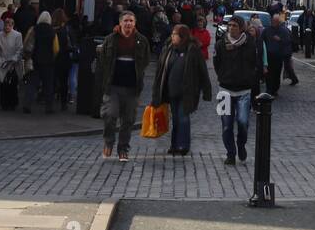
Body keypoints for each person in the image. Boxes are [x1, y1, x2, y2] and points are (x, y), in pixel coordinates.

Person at [97, 11, 152, 162]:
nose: (128, 24)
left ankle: (123, 148)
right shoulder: (110, 40)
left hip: (132, 87)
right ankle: (108, 142)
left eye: (131, 21)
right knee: (110, 115)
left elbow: (145, 60)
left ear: (135, 23)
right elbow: (103, 62)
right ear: (120, 23)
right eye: (126, 21)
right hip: (113, 86)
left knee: (128, 120)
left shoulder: (142, 41)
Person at [152, 24, 212, 156]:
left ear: (182, 36)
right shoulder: (168, 49)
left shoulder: (192, 50)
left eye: (175, 34)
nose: (172, 36)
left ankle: (183, 145)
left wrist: (207, 90)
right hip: (171, 91)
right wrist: (157, 91)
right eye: (172, 34)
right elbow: (161, 70)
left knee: (183, 117)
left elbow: (202, 70)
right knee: (176, 119)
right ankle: (174, 144)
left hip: (187, 91)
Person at [215, 17, 258, 165]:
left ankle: (241, 144)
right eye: (230, 25)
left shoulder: (249, 44)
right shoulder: (221, 44)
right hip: (225, 91)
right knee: (226, 125)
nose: (231, 28)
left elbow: (254, 63)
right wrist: (223, 76)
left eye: (235, 26)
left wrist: (249, 77)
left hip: (243, 91)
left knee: (243, 122)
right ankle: (230, 153)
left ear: (241, 28)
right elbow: (217, 63)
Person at [22, 10, 57, 114]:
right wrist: (53, 57)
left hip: (35, 60)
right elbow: (56, 48)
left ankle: (27, 105)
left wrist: (28, 57)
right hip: (48, 62)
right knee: (48, 85)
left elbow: (27, 45)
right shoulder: (52, 31)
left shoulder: (34, 29)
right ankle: (49, 107)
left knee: (32, 84)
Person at [0, 13, 23, 110]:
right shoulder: (0, 35)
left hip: (13, 62)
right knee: (3, 84)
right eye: (5, 26)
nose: (6, 28)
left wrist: (14, 59)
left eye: (9, 26)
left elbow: (19, 49)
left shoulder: (18, 35)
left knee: (12, 84)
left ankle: (13, 103)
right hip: (2, 61)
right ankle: (4, 103)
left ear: (12, 26)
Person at [261, 10, 295, 96]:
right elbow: (261, 40)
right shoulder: (267, 30)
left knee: (276, 73)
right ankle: (269, 89)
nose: (274, 22)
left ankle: (275, 89)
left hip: (278, 56)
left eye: (276, 21)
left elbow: (288, 42)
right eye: (273, 21)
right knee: (268, 73)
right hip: (268, 56)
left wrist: (280, 40)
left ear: (278, 22)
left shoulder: (284, 31)